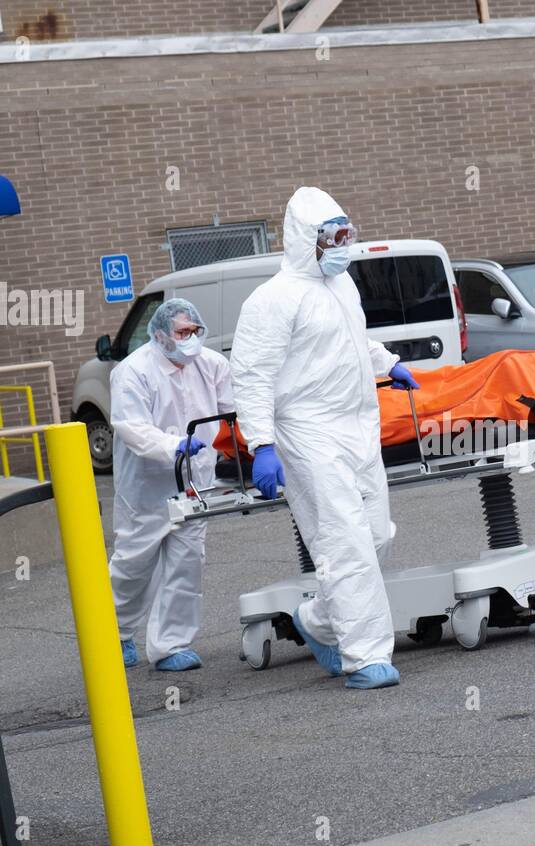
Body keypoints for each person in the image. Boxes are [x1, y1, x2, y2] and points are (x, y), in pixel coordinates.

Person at [230, 187, 419, 690]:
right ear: (305, 239)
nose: (343, 244)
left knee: (378, 534)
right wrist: (261, 444)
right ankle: (365, 657)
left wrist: (388, 363)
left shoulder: (343, 287)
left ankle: (316, 621)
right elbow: (251, 376)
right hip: (307, 431)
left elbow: (354, 339)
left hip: (358, 425)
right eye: (333, 236)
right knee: (345, 542)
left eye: (347, 233)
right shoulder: (271, 300)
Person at [108, 298, 233, 672]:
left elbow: (231, 413)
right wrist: (172, 445)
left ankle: (170, 645)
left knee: (187, 562)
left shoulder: (211, 365)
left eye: (195, 331)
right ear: (160, 334)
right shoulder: (133, 371)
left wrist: (249, 450)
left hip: (197, 481)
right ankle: (114, 633)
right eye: (182, 332)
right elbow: (131, 427)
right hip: (147, 485)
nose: (190, 339)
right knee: (134, 563)